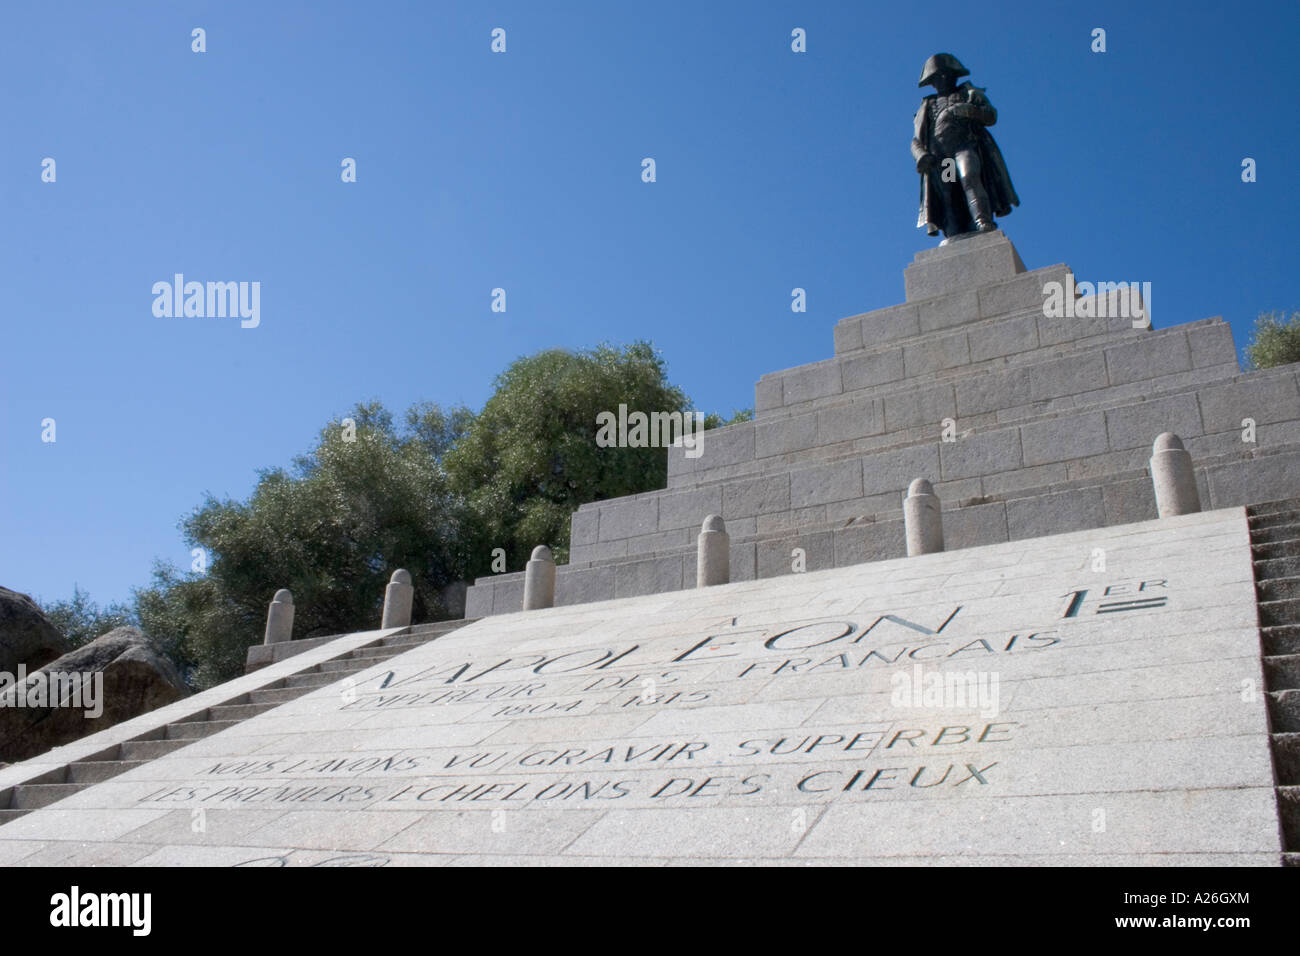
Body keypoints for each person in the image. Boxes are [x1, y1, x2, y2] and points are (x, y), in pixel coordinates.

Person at [910, 53, 1020, 243]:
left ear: (954, 75)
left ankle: (982, 221)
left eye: (946, 74)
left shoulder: (968, 93)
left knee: (969, 177)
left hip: (964, 147)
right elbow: (916, 140)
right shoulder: (927, 105)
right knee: (949, 191)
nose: (942, 79)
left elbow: (990, 116)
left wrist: (968, 110)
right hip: (943, 157)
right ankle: (955, 231)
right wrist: (921, 156)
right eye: (937, 77)